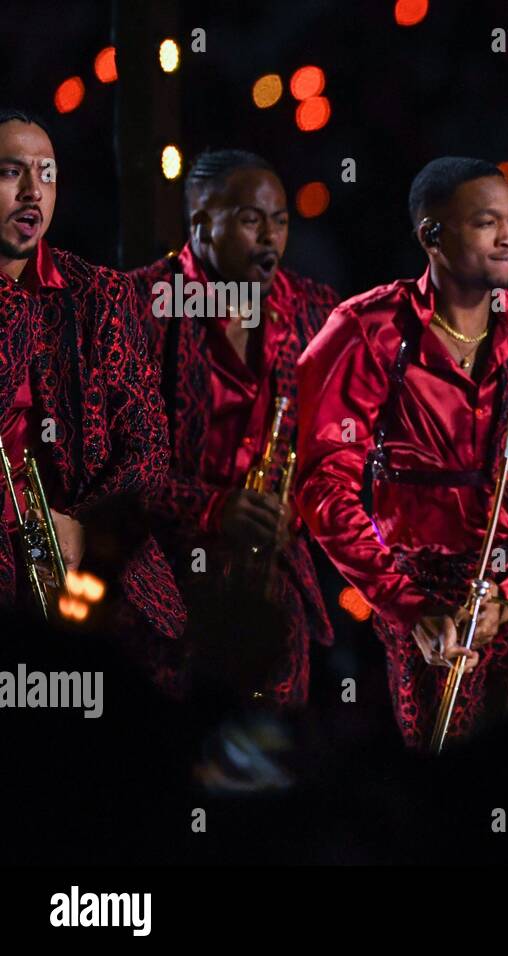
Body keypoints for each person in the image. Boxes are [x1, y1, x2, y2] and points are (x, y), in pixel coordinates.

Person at [296, 156, 508, 747]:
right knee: (454, 793)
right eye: (486, 222)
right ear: (430, 235)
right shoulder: (366, 331)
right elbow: (323, 485)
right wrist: (407, 606)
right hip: (427, 598)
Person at [128, 149, 336, 705]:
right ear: (200, 225)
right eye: (250, 220)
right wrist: (214, 509)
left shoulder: (317, 311)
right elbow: (106, 470)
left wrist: (300, 506)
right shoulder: (137, 308)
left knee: (265, 754)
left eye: (281, 220)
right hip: (158, 579)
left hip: (271, 585)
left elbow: (344, 449)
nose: (270, 237)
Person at [0, 107, 185, 645]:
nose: (34, 190)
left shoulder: (99, 293)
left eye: (47, 173)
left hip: (91, 562)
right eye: (12, 172)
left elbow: (148, 446)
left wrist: (82, 526)